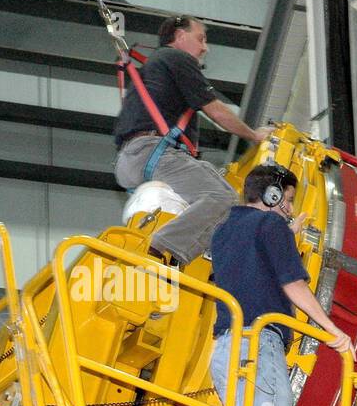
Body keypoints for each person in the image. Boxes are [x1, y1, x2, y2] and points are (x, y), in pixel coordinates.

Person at [193, 164, 353, 406]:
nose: (292, 210)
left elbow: (254, 268)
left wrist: (287, 236)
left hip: (228, 348)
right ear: (273, 196)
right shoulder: (270, 227)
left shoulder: (225, 231)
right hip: (258, 347)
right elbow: (292, 284)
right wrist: (333, 332)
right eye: (289, 200)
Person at [113, 15, 270, 267]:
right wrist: (254, 136)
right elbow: (216, 111)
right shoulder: (176, 58)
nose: (204, 47)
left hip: (138, 158)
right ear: (180, 36)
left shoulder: (158, 67)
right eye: (201, 38)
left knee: (221, 200)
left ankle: (184, 259)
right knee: (222, 196)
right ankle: (159, 249)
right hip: (152, 153)